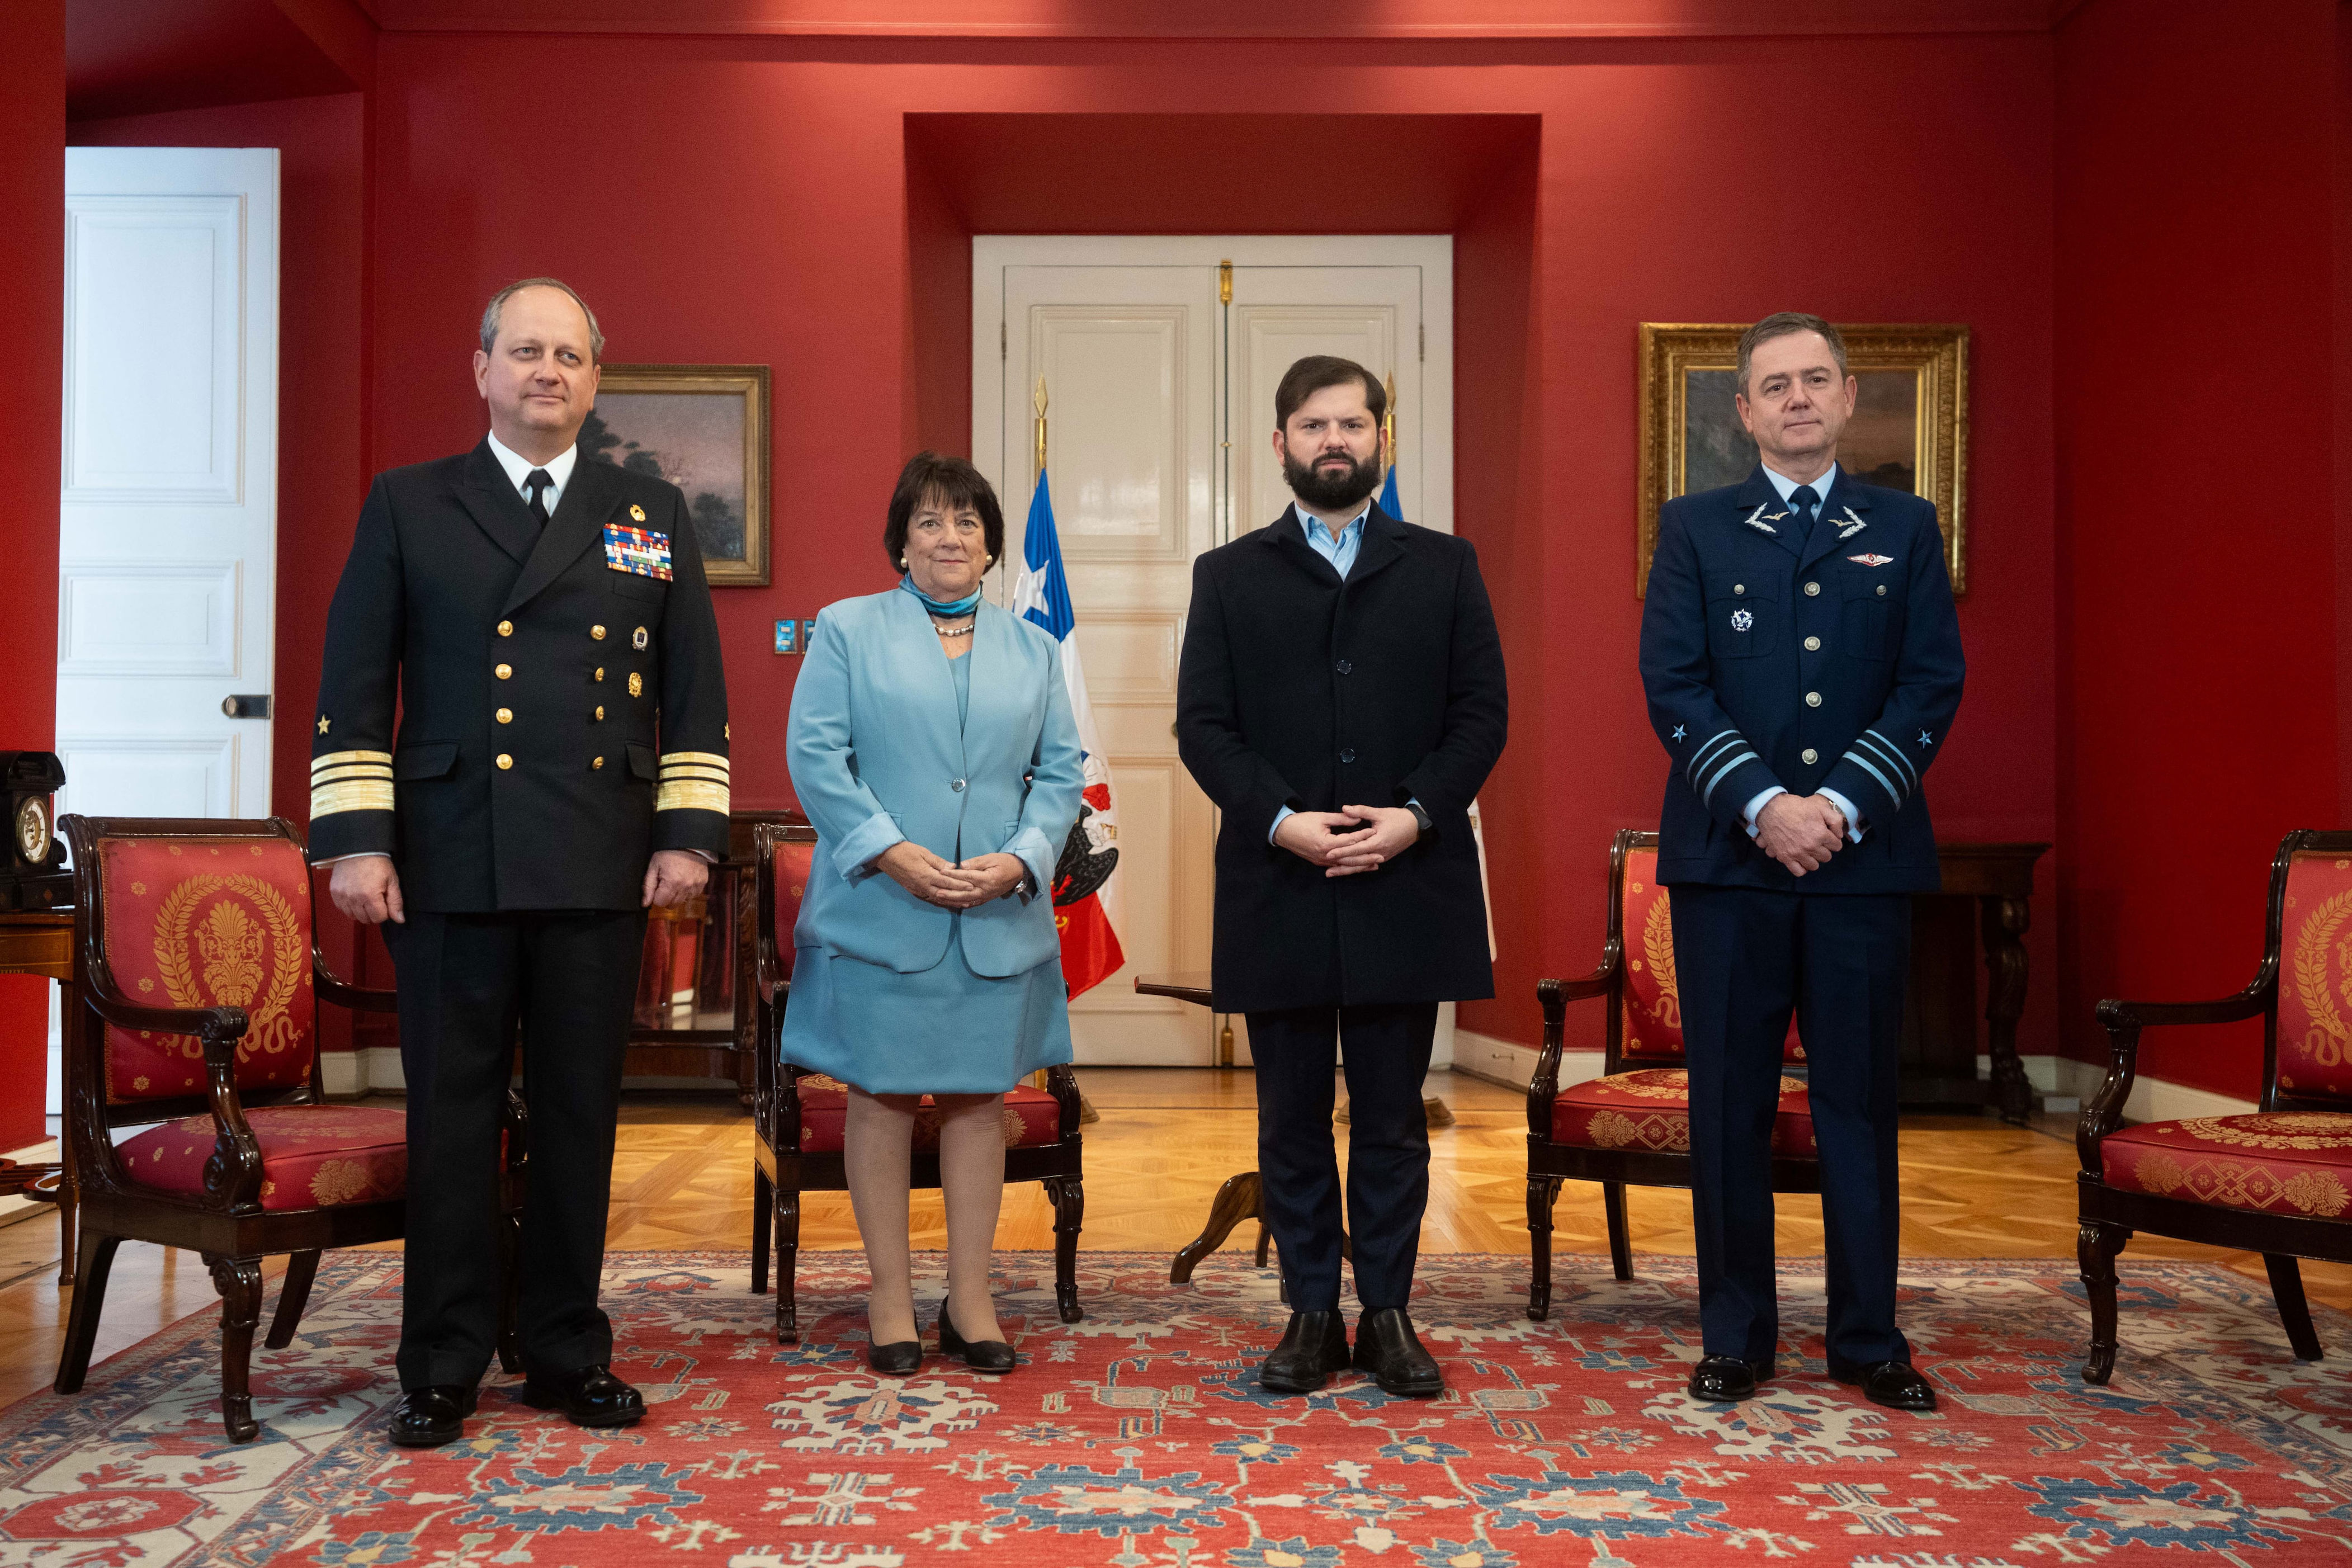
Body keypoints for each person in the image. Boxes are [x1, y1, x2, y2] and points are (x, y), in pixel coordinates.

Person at [310, 278, 731, 1447]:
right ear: (483, 368)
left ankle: (561, 1347)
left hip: (598, 853)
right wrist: (356, 838)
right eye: (528, 351)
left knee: (579, 1114)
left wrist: (689, 833)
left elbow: (693, 687)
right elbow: (353, 679)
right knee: (449, 1116)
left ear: (597, 379)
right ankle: (440, 1360)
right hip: (450, 856)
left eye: (572, 355)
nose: (549, 371)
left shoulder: (647, 507)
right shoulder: (410, 502)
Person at [1637, 311, 1964, 1412]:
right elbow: (1674, 687)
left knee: (1857, 1102)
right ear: (1743, 410)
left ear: (1847, 392)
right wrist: (1769, 805)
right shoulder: (1694, 527)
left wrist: (1837, 807)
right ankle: (1736, 1333)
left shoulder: (1904, 525)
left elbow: (1930, 687)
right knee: (1728, 1103)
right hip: (1729, 865)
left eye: (1814, 379)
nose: (1796, 399)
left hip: (1861, 864)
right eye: (1773, 384)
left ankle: (1870, 1338)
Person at [1175, 356, 1506, 1397]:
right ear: (1279, 444)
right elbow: (1202, 728)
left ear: (1380, 441)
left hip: (1406, 885)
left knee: (1392, 1115)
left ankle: (1390, 1313)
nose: (1333, 440)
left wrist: (1412, 818)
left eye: (1352, 424)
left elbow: (1480, 718)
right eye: (1313, 424)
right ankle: (1310, 1314)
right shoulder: (1225, 575)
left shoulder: (1446, 566)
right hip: (1277, 886)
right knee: (1287, 1121)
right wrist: (1282, 823)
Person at [782, 452, 1084, 1376]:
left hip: (994, 914)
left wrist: (1022, 858)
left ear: (992, 547)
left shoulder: (1032, 648)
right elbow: (816, 756)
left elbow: (1062, 772)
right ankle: (886, 1298)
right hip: (881, 906)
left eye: (966, 522)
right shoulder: (846, 629)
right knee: (878, 1098)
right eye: (928, 522)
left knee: (976, 1100)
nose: (948, 537)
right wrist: (891, 851)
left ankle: (971, 1297)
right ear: (900, 542)